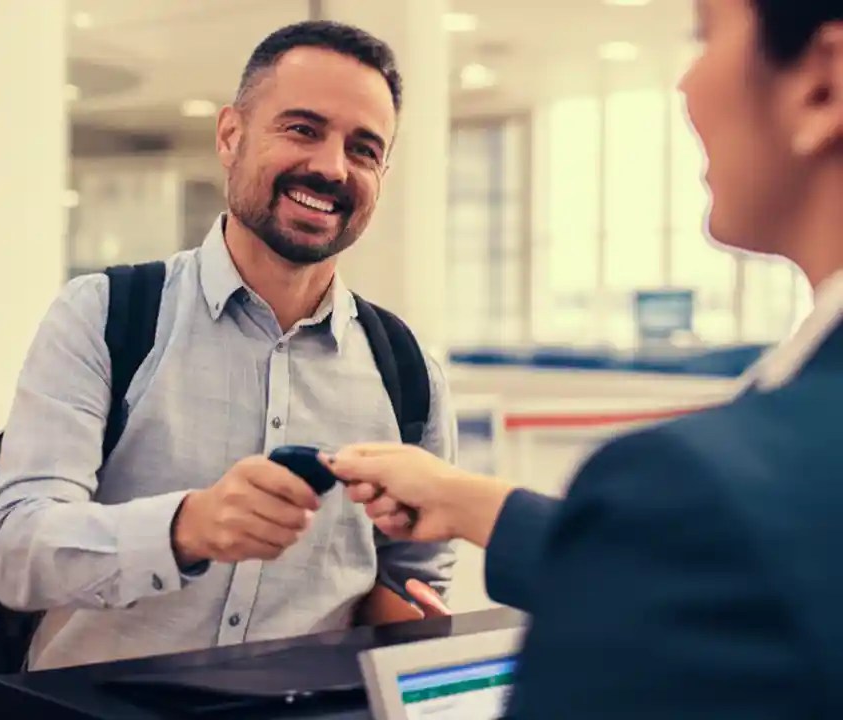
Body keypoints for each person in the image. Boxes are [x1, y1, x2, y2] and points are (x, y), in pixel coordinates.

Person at [326, 1, 843, 716]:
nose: (687, 85)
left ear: (824, 84)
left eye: (706, 36)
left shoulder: (697, 486)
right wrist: (468, 501)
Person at [0, 20, 457, 672]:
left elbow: (415, 578)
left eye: (364, 149)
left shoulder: (409, 374)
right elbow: (15, 550)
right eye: (302, 129)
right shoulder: (105, 316)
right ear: (231, 135)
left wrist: (409, 612)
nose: (330, 167)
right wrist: (186, 528)